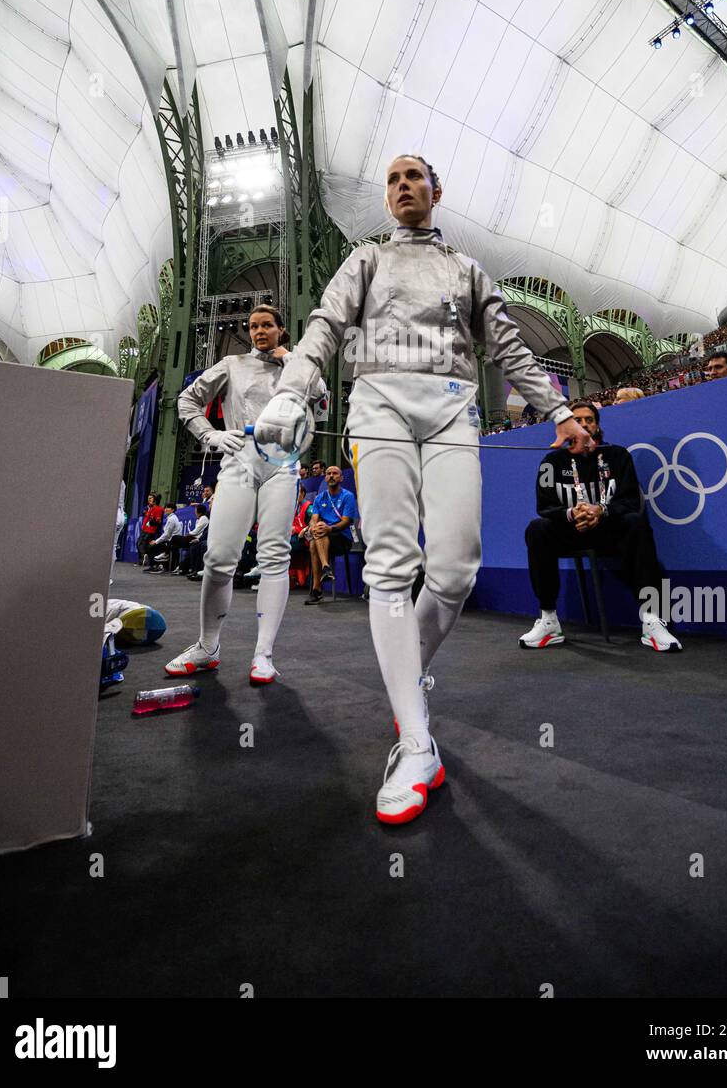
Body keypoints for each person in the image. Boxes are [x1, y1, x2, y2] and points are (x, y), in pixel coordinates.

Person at [255, 153, 592, 825]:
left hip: (451, 406)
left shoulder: (467, 270)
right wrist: (292, 393)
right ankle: (415, 740)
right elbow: (323, 325)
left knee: (457, 566)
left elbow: (510, 348)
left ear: (437, 191)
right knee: (389, 565)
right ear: (388, 197)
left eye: (414, 177)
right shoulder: (366, 261)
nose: (403, 186)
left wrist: (558, 412)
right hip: (377, 403)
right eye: (393, 179)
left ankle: (403, 680)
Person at [167, 305, 324, 685]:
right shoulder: (232, 364)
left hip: (282, 467)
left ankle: (263, 655)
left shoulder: (298, 365)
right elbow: (187, 401)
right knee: (219, 556)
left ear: (281, 330)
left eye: (266, 325)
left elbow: (322, 400)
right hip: (238, 462)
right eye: (253, 326)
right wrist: (212, 435)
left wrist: (292, 360)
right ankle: (207, 647)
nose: (258, 331)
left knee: (274, 556)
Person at [520, 400, 680, 652]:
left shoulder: (618, 455)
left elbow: (628, 500)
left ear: (597, 425)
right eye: (578, 420)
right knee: (537, 529)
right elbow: (545, 506)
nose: (584, 424)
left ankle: (651, 619)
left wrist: (601, 510)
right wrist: (573, 513)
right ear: (567, 425)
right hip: (573, 531)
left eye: (589, 420)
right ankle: (548, 618)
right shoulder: (552, 461)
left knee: (636, 521)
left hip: (610, 529)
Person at [307, 465, 358, 602]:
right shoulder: (319, 498)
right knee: (315, 537)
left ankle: (317, 589)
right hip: (323, 536)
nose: (331, 475)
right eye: (328, 473)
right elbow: (313, 519)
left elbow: (346, 522)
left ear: (341, 478)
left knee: (318, 537)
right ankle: (325, 568)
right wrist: (313, 527)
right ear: (325, 477)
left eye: (335, 473)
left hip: (342, 537)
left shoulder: (348, 496)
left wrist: (329, 528)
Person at [144, 503, 183, 571]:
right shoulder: (171, 518)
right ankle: (157, 564)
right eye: (165, 508)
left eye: (168, 508)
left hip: (170, 543)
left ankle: (154, 566)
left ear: (173, 510)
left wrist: (156, 541)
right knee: (153, 544)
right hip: (169, 541)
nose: (166, 509)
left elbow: (166, 535)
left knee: (151, 546)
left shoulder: (172, 519)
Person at [174, 504, 210, 577]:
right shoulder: (199, 519)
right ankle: (182, 567)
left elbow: (196, 532)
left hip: (198, 539)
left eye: (196, 511)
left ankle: (191, 569)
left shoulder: (203, 518)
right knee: (176, 543)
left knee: (175, 538)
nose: (195, 513)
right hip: (196, 538)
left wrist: (188, 535)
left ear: (199, 512)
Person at [136, 493, 163, 564]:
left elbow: (158, 521)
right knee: (140, 544)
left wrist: (151, 523)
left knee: (141, 544)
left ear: (155, 500)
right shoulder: (149, 508)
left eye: (151, 498)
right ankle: (142, 560)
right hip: (144, 529)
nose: (149, 499)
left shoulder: (158, 509)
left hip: (150, 530)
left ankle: (144, 558)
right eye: (148, 498)